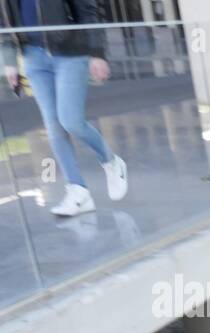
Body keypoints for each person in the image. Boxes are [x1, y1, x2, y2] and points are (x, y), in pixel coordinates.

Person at [1, 0, 128, 217]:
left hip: (70, 52)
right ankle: (78, 191)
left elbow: (88, 10)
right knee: (53, 126)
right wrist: (10, 61)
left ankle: (111, 161)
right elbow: (5, 20)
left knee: (70, 120)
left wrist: (97, 53)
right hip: (33, 57)